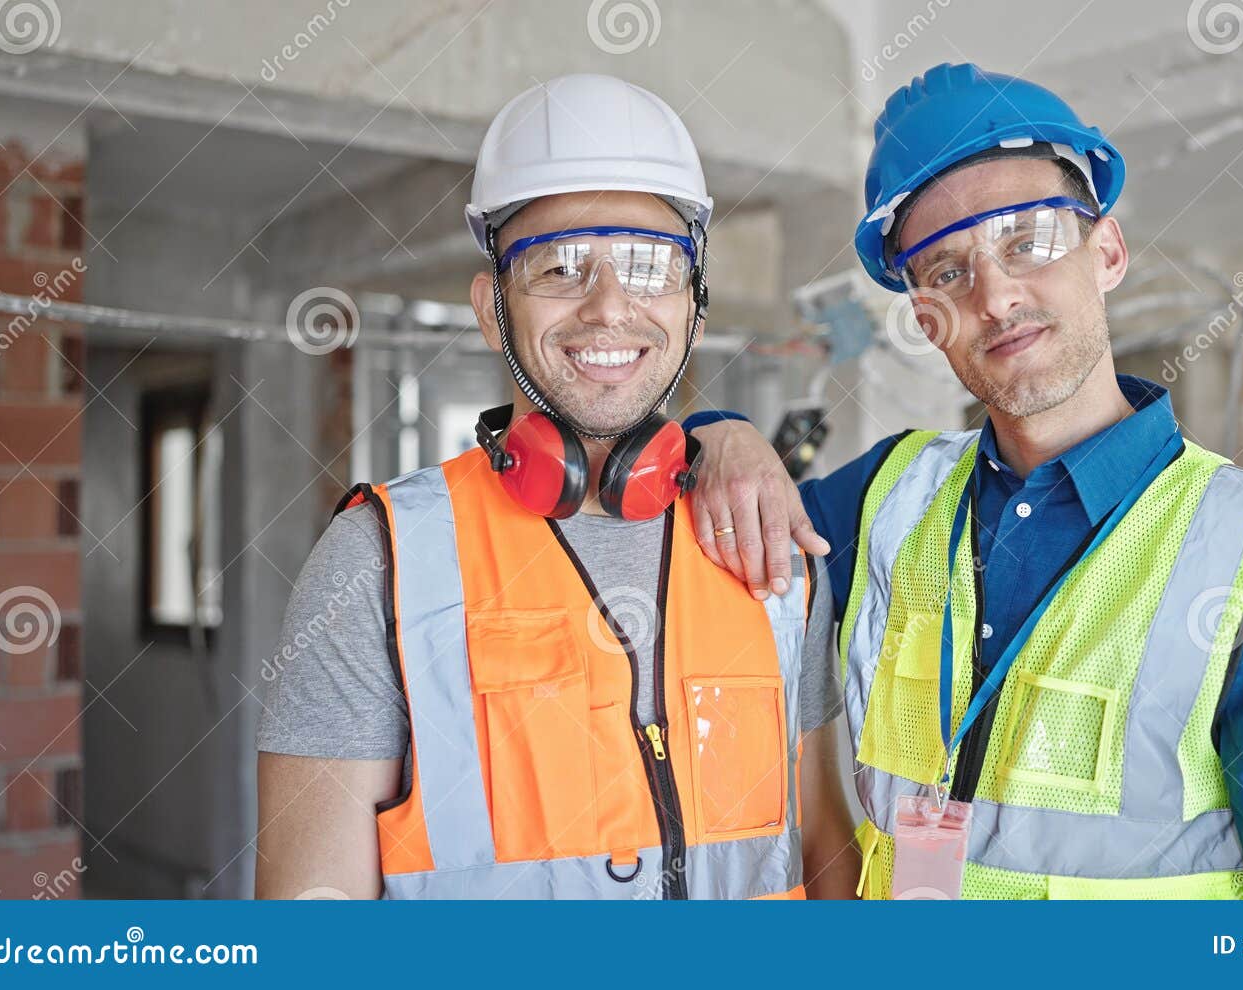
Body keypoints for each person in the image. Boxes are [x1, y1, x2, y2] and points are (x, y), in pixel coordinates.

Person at [684, 63, 1243, 898]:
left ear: (1108, 253)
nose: (995, 297)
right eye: (947, 271)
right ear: (925, 320)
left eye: (1027, 243)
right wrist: (719, 436)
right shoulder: (885, 496)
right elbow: (705, 547)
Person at [254, 74, 857, 900]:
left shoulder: (771, 550)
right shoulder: (382, 563)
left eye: (649, 266)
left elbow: (821, 849)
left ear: (695, 308)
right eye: (560, 267)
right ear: (491, 309)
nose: (608, 307)